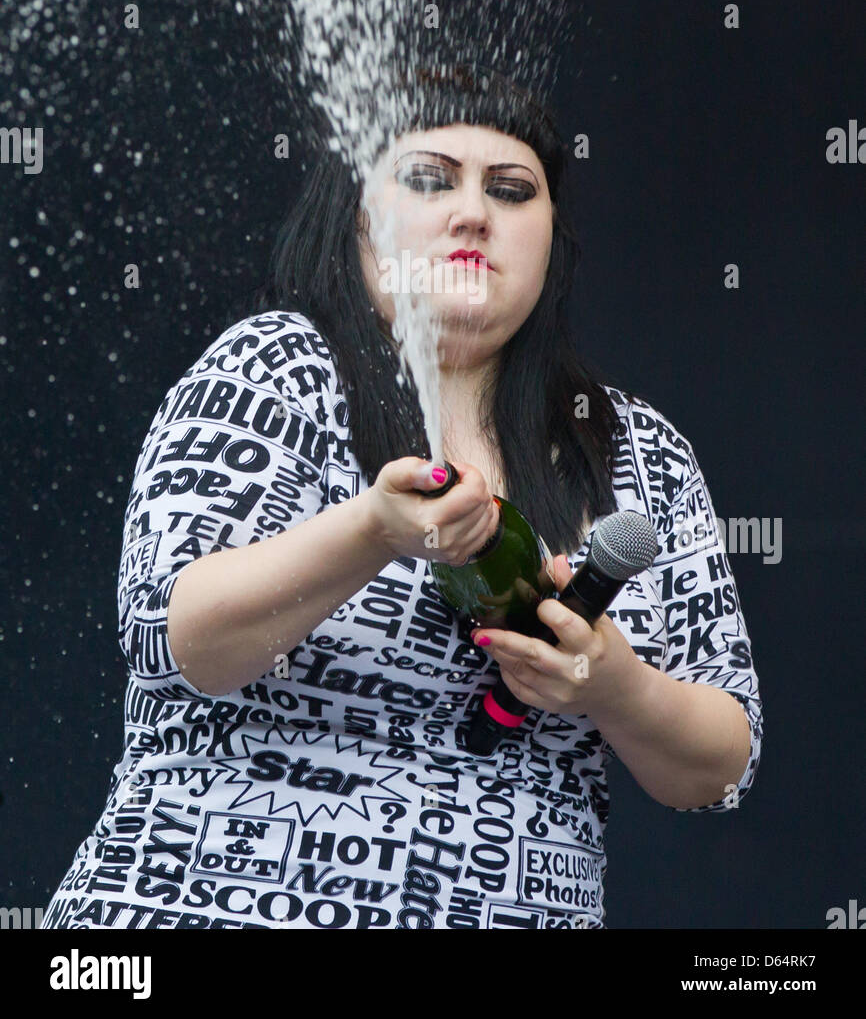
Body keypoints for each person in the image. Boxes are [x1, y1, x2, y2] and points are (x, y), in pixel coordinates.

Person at [41, 64, 763, 930]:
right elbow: (176, 639)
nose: (473, 213)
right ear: (359, 222)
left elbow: (718, 771)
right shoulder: (277, 369)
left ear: (552, 238)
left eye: (511, 190)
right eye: (429, 178)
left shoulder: (633, 448)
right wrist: (373, 531)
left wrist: (611, 685)